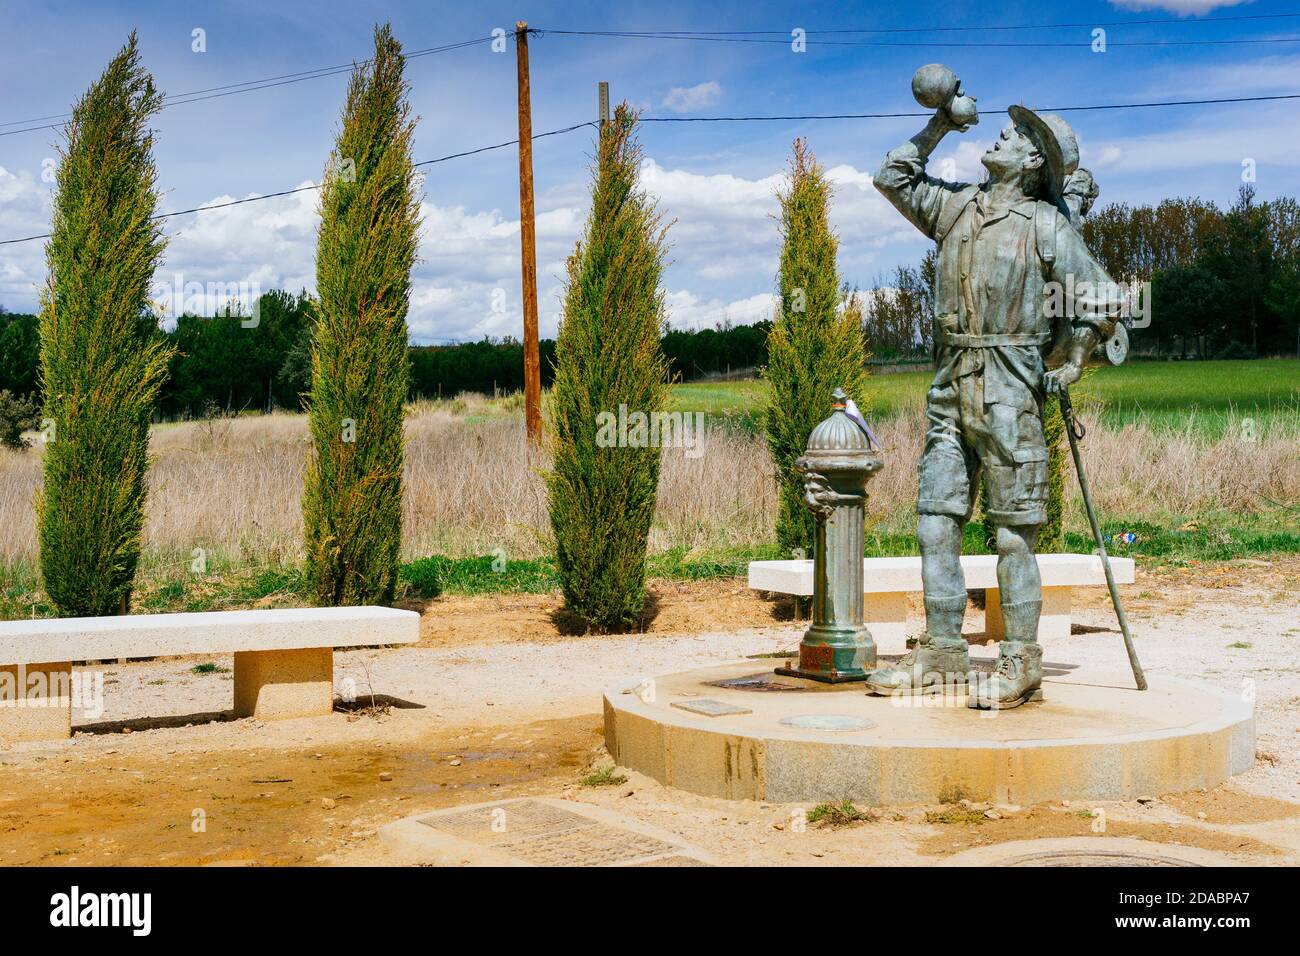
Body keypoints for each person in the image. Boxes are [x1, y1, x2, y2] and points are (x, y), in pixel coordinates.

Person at [868, 100, 1123, 708]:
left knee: (1013, 536)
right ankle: (943, 653)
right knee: (937, 522)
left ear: (1033, 161)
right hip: (950, 385)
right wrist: (937, 126)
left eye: (1015, 135)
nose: (1001, 134)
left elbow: (1105, 302)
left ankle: (1020, 663)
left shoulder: (1046, 225)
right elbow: (891, 177)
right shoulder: (955, 207)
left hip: (1011, 390)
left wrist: (1074, 358)